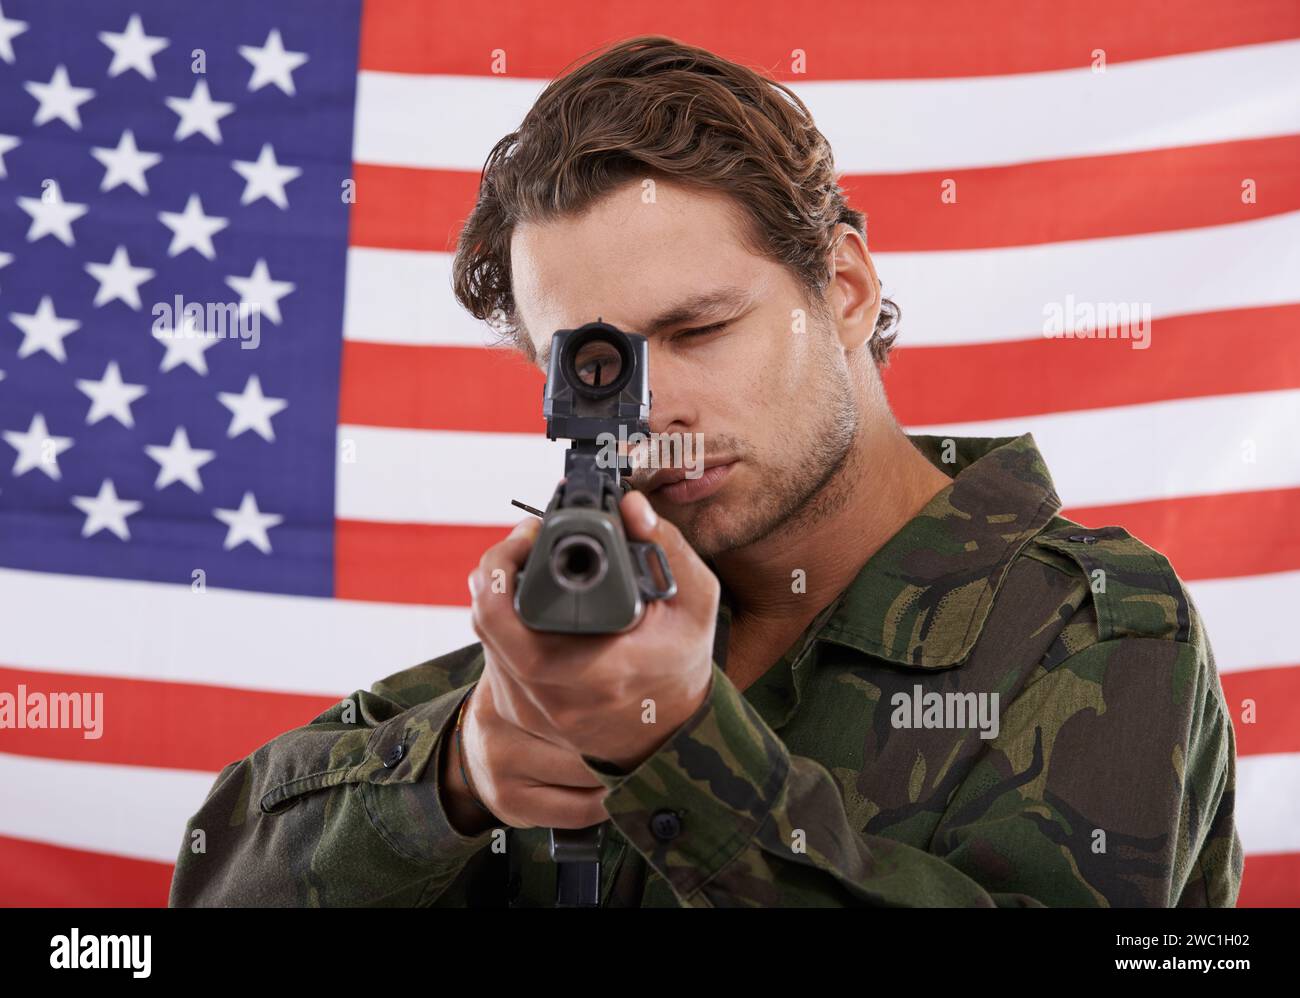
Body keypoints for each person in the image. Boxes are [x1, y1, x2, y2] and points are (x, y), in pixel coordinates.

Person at [168, 35, 1242, 908]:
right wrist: (452, 774)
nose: (655, 407)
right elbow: (217, 879)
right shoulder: (602, 617)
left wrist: (684, 746)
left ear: (846, 289)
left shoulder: (1095, 625)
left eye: (701, 328)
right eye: (599, 365)